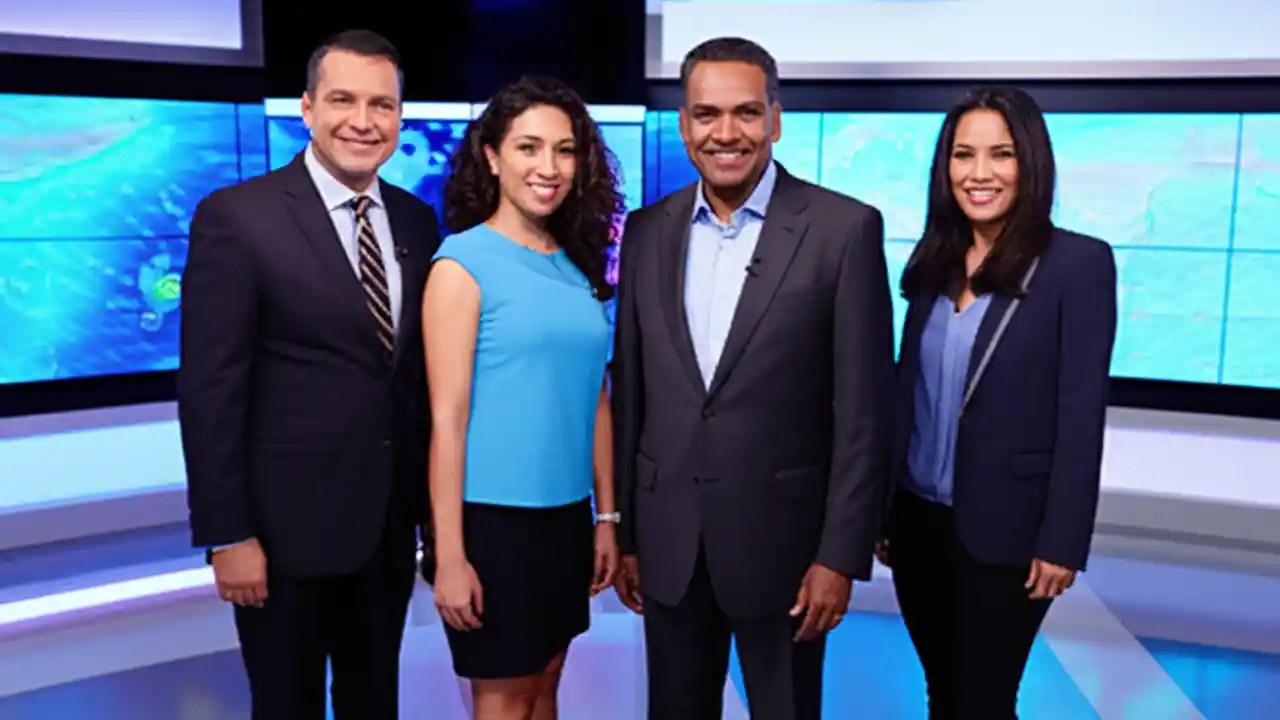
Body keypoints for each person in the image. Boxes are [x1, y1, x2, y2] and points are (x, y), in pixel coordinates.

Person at [610, 37, 896, 720]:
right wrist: (624, 534)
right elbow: (633, 394)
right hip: (669, 543)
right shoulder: (648, 230)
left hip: (789, 553)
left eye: (745, 113)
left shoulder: (844, 230)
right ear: (683, 124)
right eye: (706, 115)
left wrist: (840, 556)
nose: (726, 133)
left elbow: (865, 413)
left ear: (775, 117)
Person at [177, 29, 440, 719]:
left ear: (400, 116)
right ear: (306, 107)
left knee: (372, 701)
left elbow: (407, 382)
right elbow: (210, 390)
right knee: (286, 705)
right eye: (343, 100)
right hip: (281, 537)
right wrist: (228, 536)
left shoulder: (416, 221)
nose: (363, 120)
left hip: (384, 533)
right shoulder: (239, 218)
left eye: (382, 105)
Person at [876, 87, 1118, 719]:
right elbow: (911, 397)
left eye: (1000, 155)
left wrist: (1064, 539)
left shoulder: (1077, 264)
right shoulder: (933, 262)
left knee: (984, 699)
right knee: (944, 692)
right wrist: (880, 511)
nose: (979, 174)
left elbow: (1080, 410)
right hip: (917, 523)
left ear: (1030, 163)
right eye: (963, 155)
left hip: (1010, 531)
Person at [422, 75, 624, 720]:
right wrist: (449, 556)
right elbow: (446, 421)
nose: (549, 167)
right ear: (492, 156)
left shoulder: (574, 264)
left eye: (565, 151)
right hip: (491, 524)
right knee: (505, 698)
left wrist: (606, 518)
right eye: (529, 148)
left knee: (546, 682)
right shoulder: (461, 265)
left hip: (565, 519)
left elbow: (596, 398)